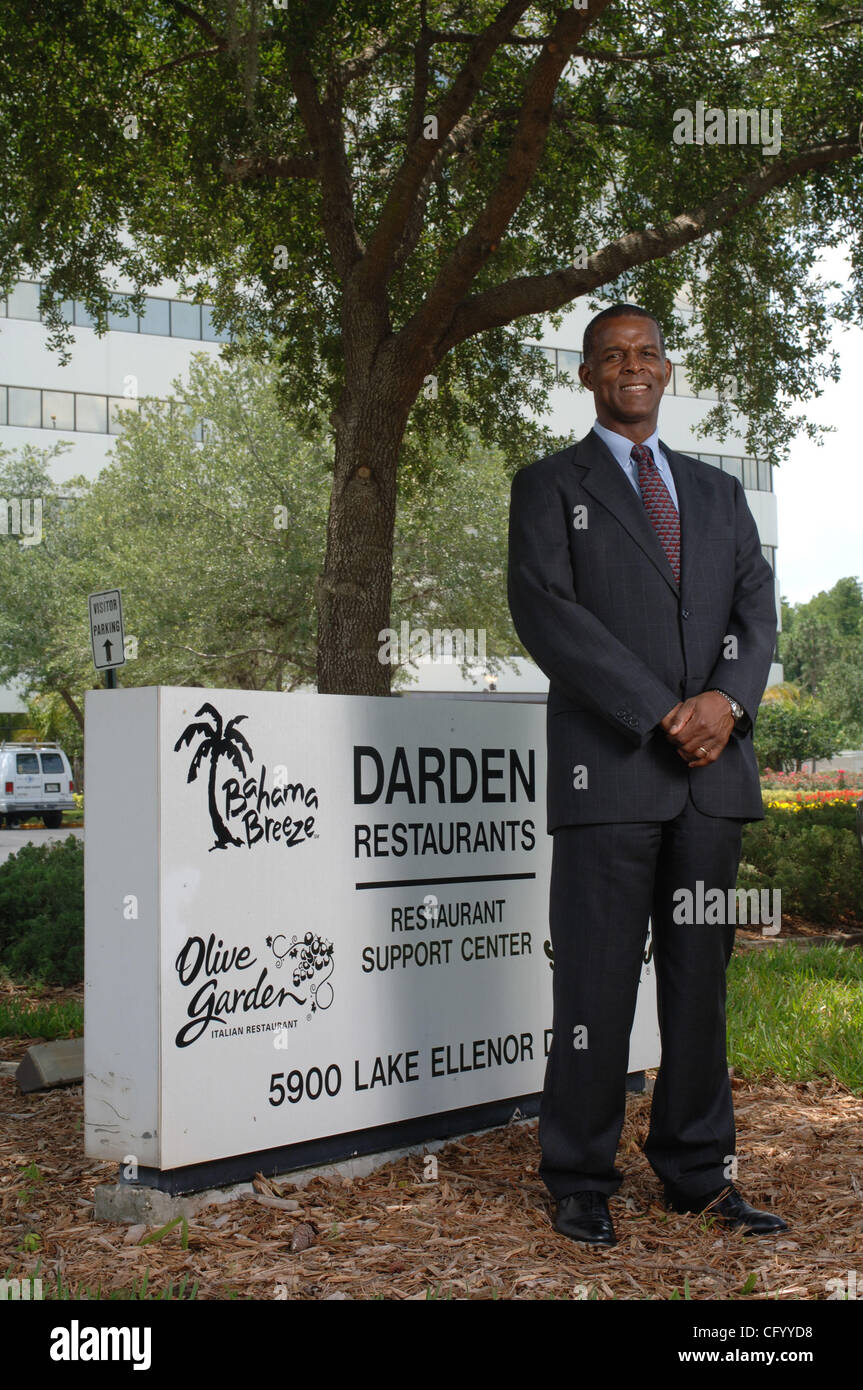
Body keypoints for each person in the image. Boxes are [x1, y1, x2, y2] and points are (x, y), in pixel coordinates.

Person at [507, 303, 787, 1245]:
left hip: (711, 783)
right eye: (611, 357)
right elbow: (547, 614)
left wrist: (725, 703)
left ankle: (699, 1173)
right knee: (591, 985)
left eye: (646, 354)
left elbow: (755, 610)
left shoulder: (716, 495)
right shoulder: (548, 486)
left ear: (666, 371)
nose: (631, 368)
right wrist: (659, 712)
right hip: (610, 773)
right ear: (588, 376)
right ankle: (581, 1176)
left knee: (696, 983)